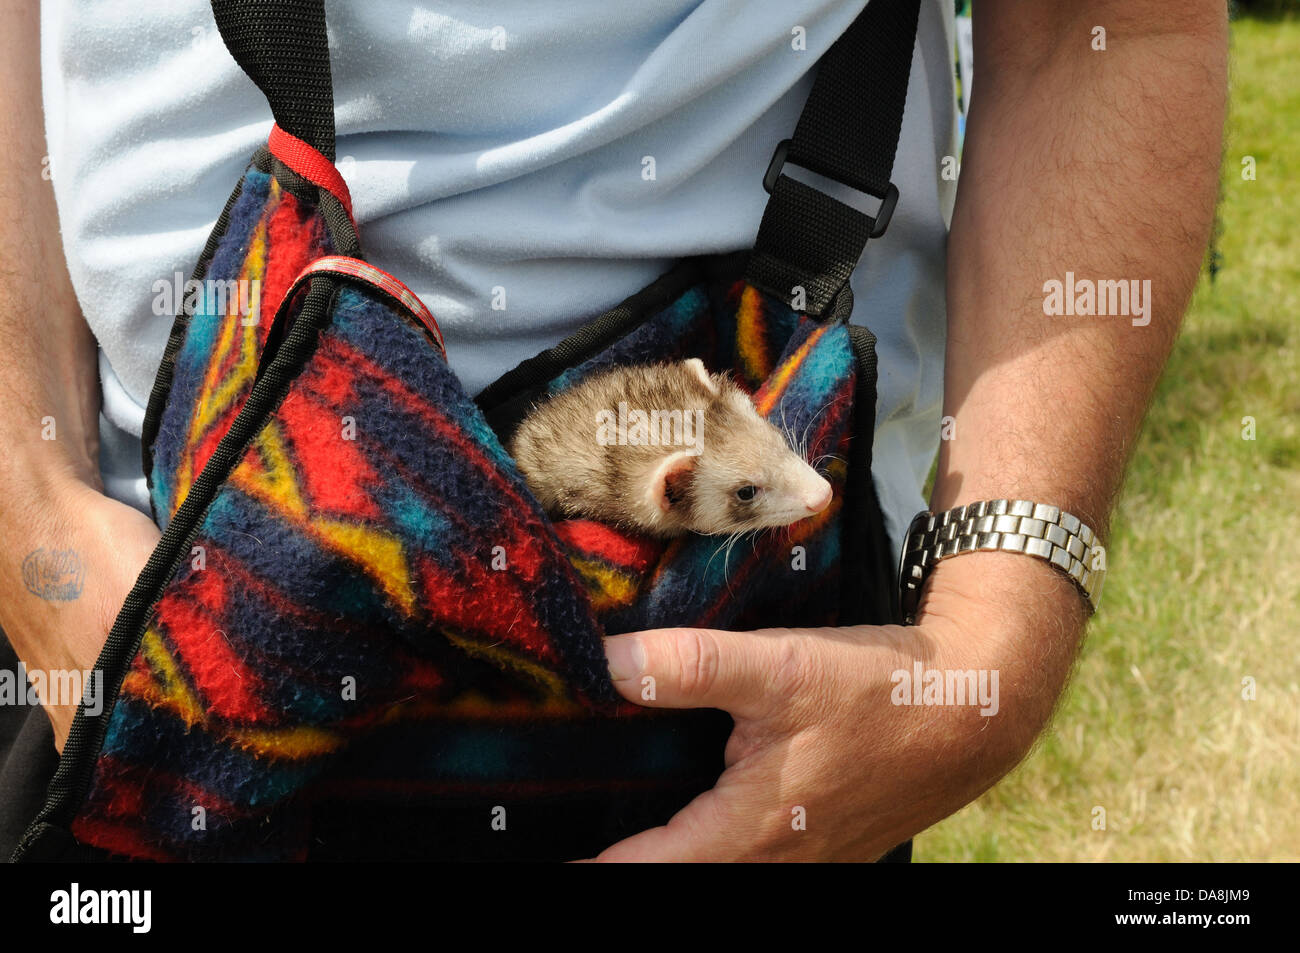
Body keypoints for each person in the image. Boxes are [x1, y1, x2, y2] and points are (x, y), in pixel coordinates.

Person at [0, 0, 1226, 861]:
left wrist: (990, 646)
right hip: (120, 640)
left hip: (758, 728)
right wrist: (27, 513)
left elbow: (1108, 28)